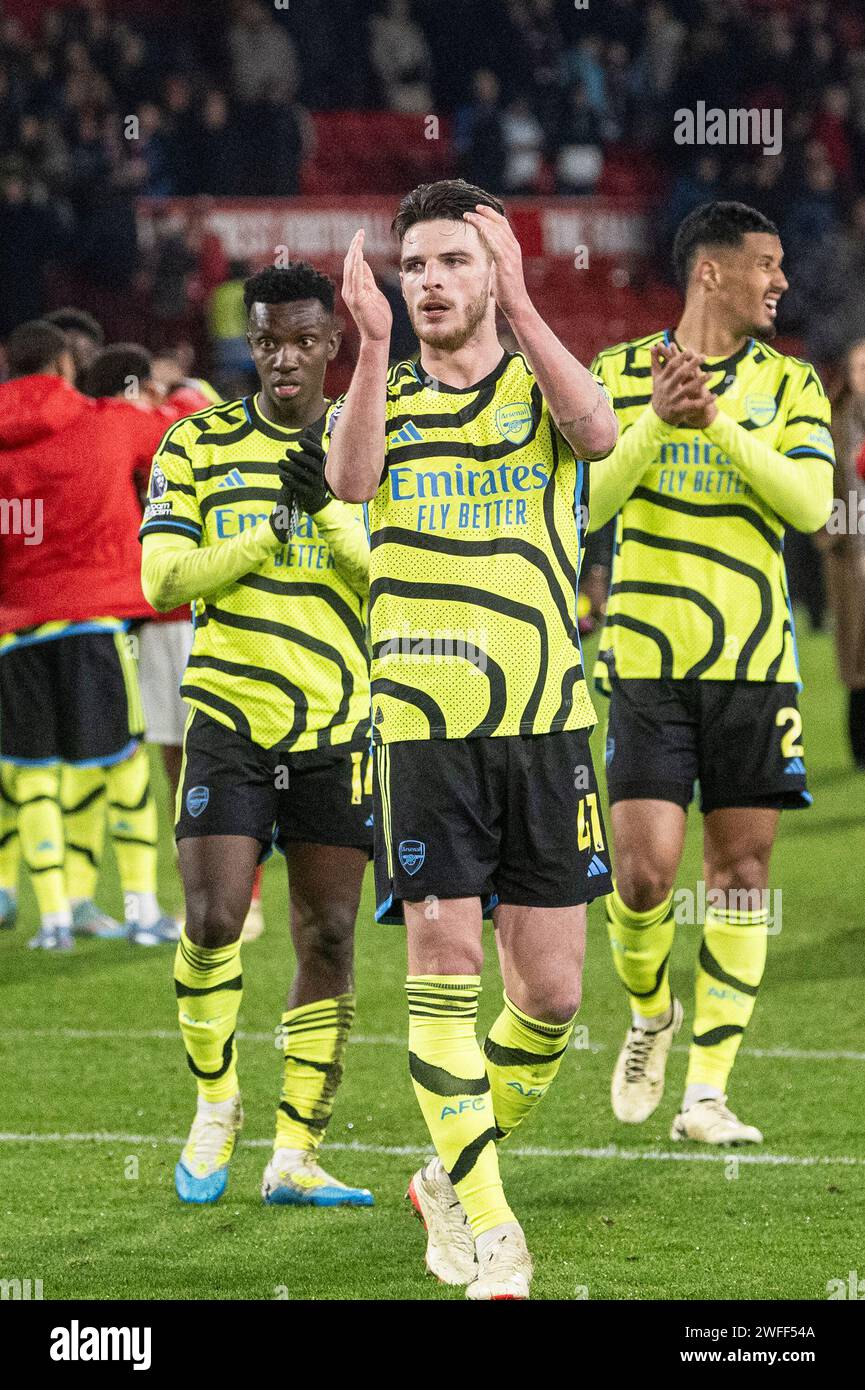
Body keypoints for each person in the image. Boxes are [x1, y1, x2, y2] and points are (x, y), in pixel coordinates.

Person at [325, 178, 618, 1300]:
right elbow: (348, 483)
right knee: (442, 965)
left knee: (548, 995)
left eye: (452, 261)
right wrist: (368, 349)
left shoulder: (541, 388)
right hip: (423, 734)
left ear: (491, 272)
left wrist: (533, 308)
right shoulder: (385, 394)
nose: (430, 283)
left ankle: (447, 1171)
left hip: (547, 723)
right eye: (415, 266)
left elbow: (597, 431)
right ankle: (492, 1231)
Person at [589, 201, 834, 1145]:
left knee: (739, 873)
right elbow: (586, 502)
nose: (779, 281)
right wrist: (657, 420)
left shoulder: (788, 383)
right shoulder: (617, 374)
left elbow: (810, 504)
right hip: (646, 665)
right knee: (645, 877)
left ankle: (706, 1094)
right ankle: (651, 1015)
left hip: (753, 667)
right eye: (765, 264)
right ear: (710, 273)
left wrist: (718, 421)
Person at [139, 263, 374, 1209]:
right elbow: (162, 580)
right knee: (211, 917)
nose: (281, 358)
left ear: (332, 345)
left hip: (338, 726)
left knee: (327, 938)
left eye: (301, 340)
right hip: (231, 721)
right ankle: (214, 1103)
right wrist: (264, 539)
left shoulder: (371, 448)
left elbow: (391, 579)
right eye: (265, 340)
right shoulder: (194, 443)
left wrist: (324, 510)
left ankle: (296, 1154)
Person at [0, 320, 177, 949]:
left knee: (35, 772)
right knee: (125, 768)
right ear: (64, 366)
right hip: (96, 624)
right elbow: (179, 435)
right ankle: (141, 910)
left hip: (15, 631)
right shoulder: (105, 421)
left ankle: (51, 921)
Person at [819, 339, 865, 769]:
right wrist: (832, 533)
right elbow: (819, 490)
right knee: (855, 656)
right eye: (861, 368)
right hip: (853, 553)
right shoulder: (834, 426)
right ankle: (860, 746)